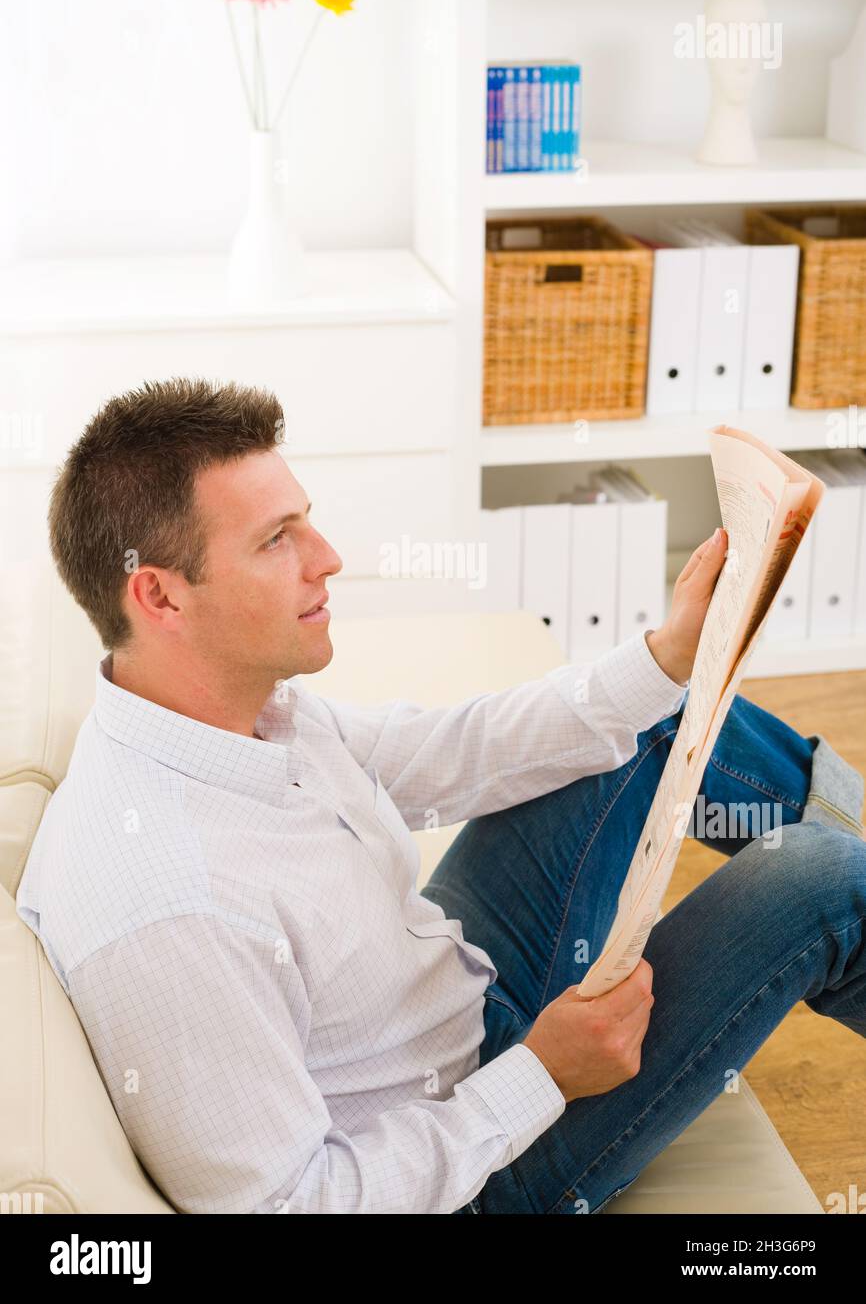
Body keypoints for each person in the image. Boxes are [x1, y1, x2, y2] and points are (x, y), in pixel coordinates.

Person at [16, 377, 866, 1214]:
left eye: (306, 519)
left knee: (655, 710)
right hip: (473, 1169)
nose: (329, 558)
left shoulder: (233, 710)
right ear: (158, 593)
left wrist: (669, 653)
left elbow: (440, 752)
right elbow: (296, 1207)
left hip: (455, 1010)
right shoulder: (170, 909)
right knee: (821, 878)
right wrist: (543, 1074)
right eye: (278, 539)